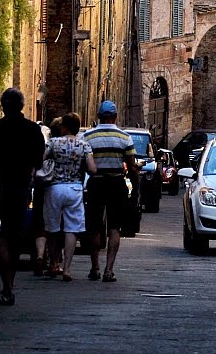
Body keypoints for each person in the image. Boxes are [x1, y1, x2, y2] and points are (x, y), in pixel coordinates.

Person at [0, 88, 46, 305]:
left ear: (2, 106)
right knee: (13, 237)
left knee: (0, 236)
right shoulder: (32, 130)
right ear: (22, 106)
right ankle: (9, 285)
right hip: (19, 189)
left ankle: (5, 284)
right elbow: (38, 163)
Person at [84, 100, 139, 282]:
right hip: (116, 183)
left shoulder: (88, 137)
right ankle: (109, 270)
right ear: (115, 117)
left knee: (94, 226)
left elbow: (84, 163)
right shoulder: (125, 138)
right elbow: (131, 166)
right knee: (115, 227)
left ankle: (95, 267)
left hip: (96, 183)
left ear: (98, 117)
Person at [42, 113, 97, 281]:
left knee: (52, 228)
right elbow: (92, 169)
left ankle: (54, 263)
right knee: (72, 229)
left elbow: (40, 160)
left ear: (63, 126)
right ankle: (67, 269)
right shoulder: (84, 145)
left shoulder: (53, 142)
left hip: (55, 188)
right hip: (74, 188)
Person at [31, 121, 51, 277]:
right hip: (58, 190)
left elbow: (38, 164)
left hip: (38, 187)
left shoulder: (50, 146)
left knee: (39, 224)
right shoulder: (35, 132)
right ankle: (55, 261)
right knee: (55, 226)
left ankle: (39, 255)